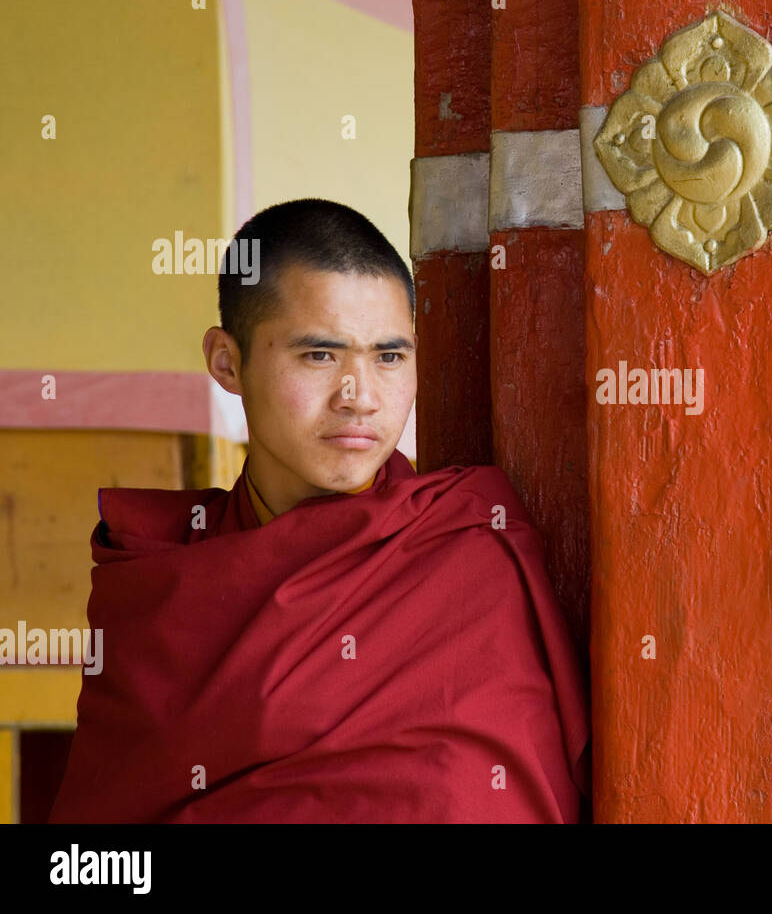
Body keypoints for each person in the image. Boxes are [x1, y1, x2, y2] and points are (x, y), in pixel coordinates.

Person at [49, 199, 591, 823]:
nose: (360, 398)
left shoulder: (467, 548)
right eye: (320, 356)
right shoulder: (157, 584)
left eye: (389, 357)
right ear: (227, 361)